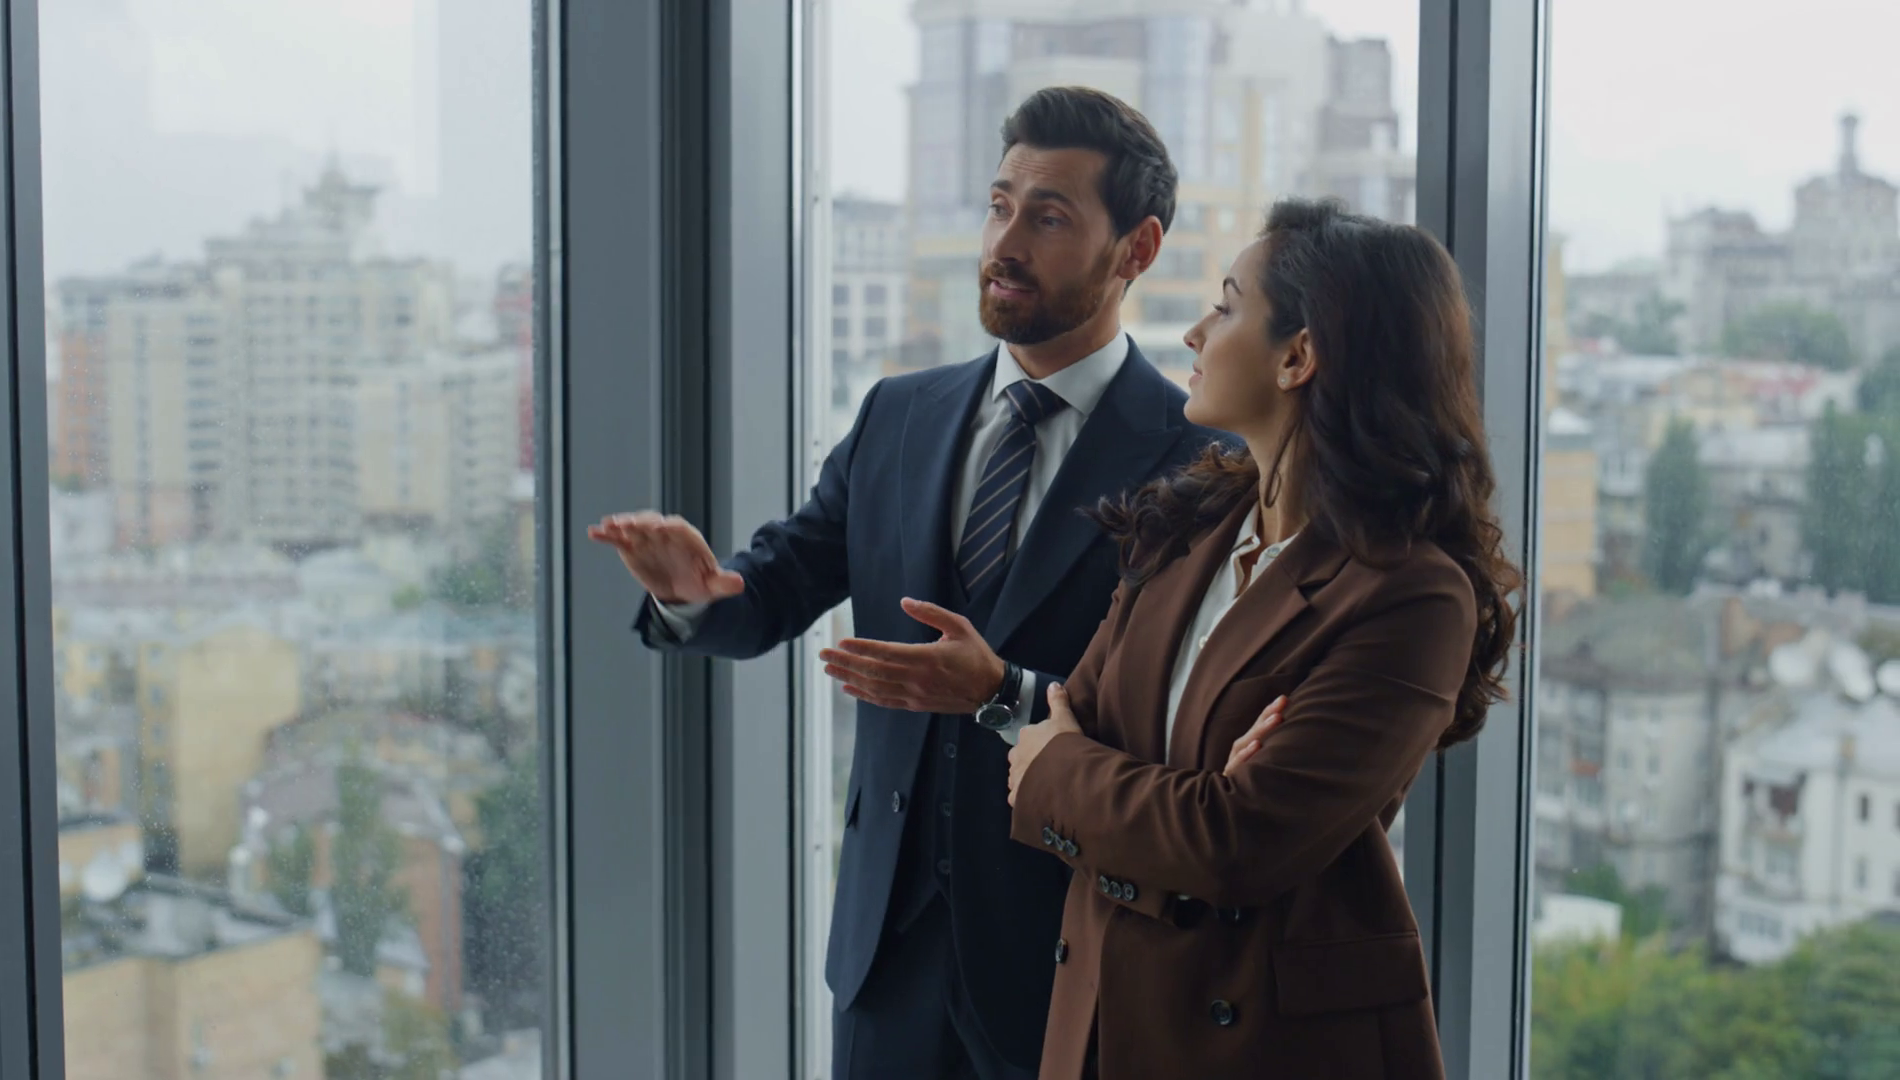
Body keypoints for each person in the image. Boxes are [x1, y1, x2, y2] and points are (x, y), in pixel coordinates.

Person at [589, 87, 1229, 1080]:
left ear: (1137, 250)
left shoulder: (1200, 460)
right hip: (887, 957)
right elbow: (784, 581)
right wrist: (699, 591)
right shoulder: (900, 414)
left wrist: (1004, 693)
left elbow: (1188, 725)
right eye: (998, 203)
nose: (1005, 241)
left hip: (1075, 955)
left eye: (1048, 216)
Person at [1003, 199, 1522, 1080]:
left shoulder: (1414, 597)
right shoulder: (1187, 527)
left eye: (1227, 304)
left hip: (1265, 1047)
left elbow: (1234, 845)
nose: (1196, 333)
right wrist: (1183, 797)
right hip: (1100, 1022)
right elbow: (1071, 718)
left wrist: (1068, 775)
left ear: (1299, 355)